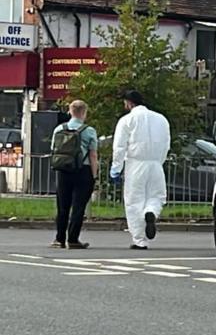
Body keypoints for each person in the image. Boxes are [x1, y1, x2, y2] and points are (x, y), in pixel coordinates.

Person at [110, 90, 171, 250]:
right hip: (155, 164)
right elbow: (166, 144)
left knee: (134, 201)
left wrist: (116, 168)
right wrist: (159, 161)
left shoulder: (127, 120)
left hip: (135, 164)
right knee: (157, 196)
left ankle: (140, 240)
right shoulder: (161, 119)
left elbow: (120, 147)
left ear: (129, 103)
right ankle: (151, 212)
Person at [50, 100, 99, 249]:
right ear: (84, 112)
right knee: (78, 206)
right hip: (83, 170)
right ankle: (73, 239)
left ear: (70, 111)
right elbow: (93, 155)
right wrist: (94, 175)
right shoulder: (89, 131)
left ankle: (59, 239)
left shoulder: (59, 129)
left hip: (63, 170)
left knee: (62, 206)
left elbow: (53, 149)